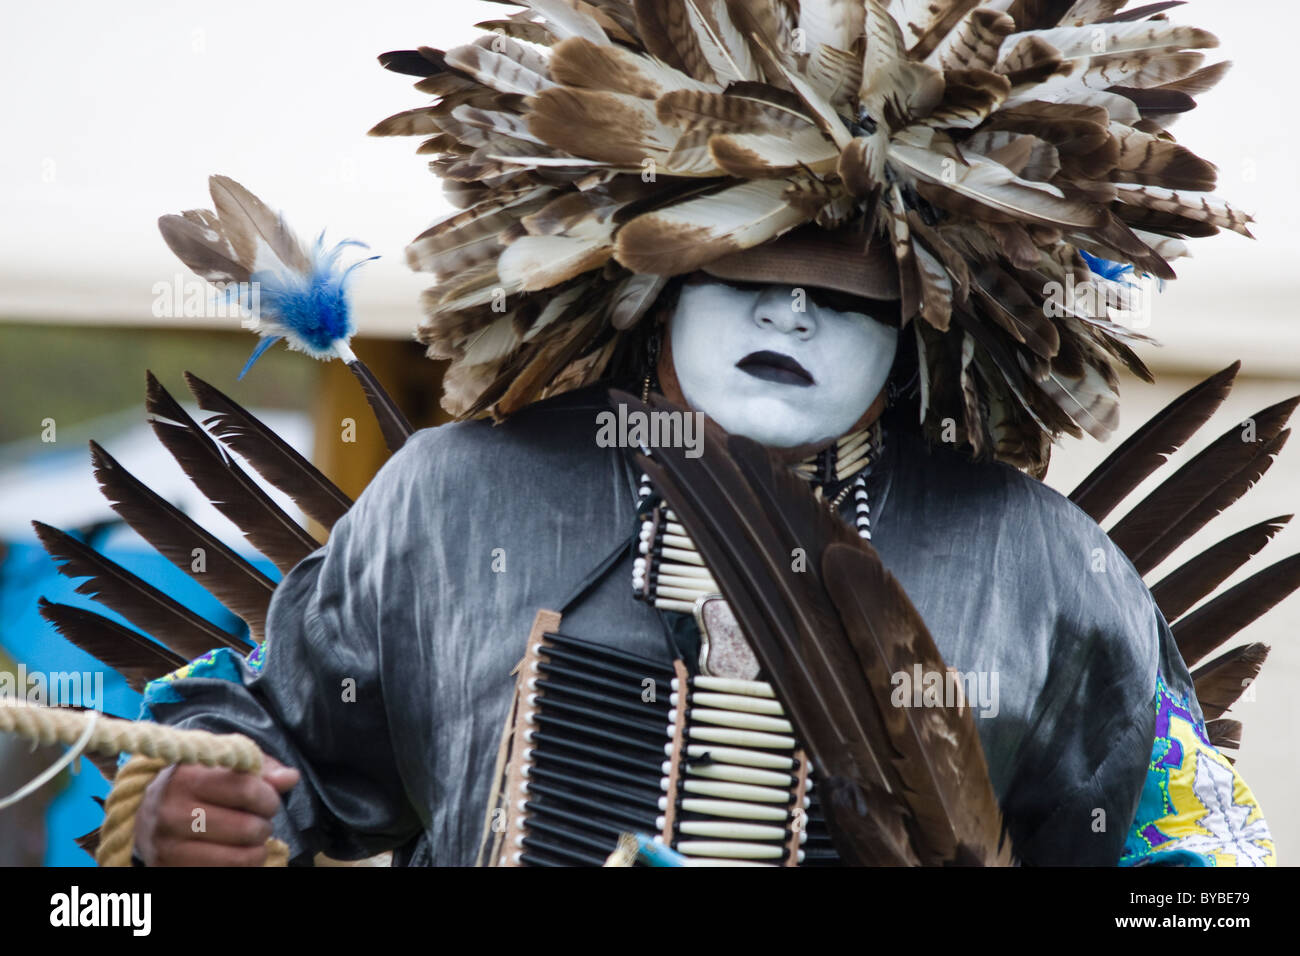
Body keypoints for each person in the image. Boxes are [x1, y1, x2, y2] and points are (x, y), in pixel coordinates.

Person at [47, 1, 1283, 867]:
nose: (791, 314)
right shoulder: (453, 502)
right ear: (645, 280)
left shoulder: (1044, 566)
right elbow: (285, 742)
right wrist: (192, 806)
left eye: (848, 295)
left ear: (926, 323)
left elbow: (1188, 861)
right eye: (744, 268)